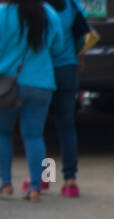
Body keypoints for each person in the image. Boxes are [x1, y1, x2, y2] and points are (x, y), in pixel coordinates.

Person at [0, 0, 58, 200]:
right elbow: (57, 46)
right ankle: (35, 187)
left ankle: (6, 184)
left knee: (3, 133)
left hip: (7, 85)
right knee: (34, 136)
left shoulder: (3, 14)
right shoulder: (49, 13)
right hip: (41, 82)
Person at [47, 0, 87, 197]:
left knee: (37, 129)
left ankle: (43, 178)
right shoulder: (73, 5)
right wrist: (80, 60)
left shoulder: (38, 6)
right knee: (67, 125)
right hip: (68, 69)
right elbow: (83, 37)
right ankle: (70, 180)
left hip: (43, 71)